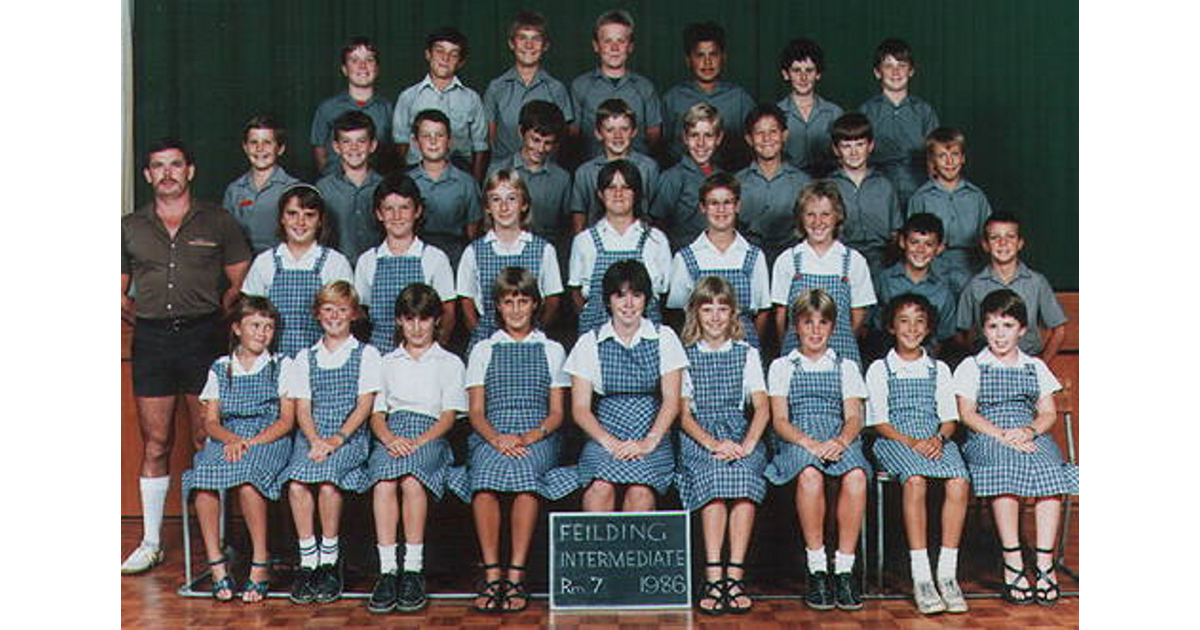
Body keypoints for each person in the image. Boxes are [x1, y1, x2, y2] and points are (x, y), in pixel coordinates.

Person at [121, 138, 252, 575]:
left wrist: (216, 318)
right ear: (147, 175)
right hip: (153, 341)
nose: (168, 173)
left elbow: (239, 280)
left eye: (176, 165)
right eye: (158, 166)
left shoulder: (218, 221)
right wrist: (143, 319)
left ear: (190, 171)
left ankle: (219, 545)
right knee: (156, 442)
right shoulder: (130, 226)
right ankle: (152, 541)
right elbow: (116, 289)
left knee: (206, 441)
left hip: (203, 338)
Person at [450, 267, 576, 613]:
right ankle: (493, 572)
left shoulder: (551, 349)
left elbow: (557, 414)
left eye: (523, 301)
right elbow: (476, 412)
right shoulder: (483, 350)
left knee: (525, 479)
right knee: (486, 480)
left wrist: (528, 436)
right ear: (498, 307)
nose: (517, 309)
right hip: (491, 433)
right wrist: (497, 438)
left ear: (535, 304)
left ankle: (516, 573)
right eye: (509, 302)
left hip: (538, 433)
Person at [953, 289, 1078, 606]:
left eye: (1007, 326)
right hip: (987, 434)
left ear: (1022, 329)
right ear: (983, 329)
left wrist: (1028, 430)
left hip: (1027, 432)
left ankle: (1045, 563)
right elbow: (967, 413)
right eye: (993, 326)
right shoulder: (972, 365)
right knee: (1005, 468)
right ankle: (1013, 562)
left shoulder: (1034, 366)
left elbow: (1047, 412)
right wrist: (1001, 434)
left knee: (1051, 470)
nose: (1000, 334)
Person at [180, 296, 295, 602]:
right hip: (228, 437)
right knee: (204, 477)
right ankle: (217, 564)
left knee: (247, 479)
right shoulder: (221, 367)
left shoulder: (281, 365)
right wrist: (232, 440)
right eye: (255, 325)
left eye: (269, 327)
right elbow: (211, 422)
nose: (262, 332)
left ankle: (260, 562)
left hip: (268, 438)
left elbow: (286, 420)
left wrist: (251, 442)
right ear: (236, 328)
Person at [765, 288, 871, 611]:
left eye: (823, 322)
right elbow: (780, 420)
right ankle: (817, 569)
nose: (815, 330)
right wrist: (810, 444)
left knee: (855, 477)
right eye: (808, 322)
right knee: (809, 475)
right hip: (797, 438)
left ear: (833, 327)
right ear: (796, 325)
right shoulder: (783, 366)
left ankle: (844, 569)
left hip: (838, 436)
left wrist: (840, 441)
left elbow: (854, 416)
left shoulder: (846, 365)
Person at [865, 293, 970, 614]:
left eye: (919, 321)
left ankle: (947, 574)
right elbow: (879, 421)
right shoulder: (880, 368)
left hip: (933, 438)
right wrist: (912, 442)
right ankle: (922, 574)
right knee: (915, 481)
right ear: (891, 327)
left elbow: (950, 419)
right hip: (895, 439)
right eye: (904, 321)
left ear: (928, 328)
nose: (912, 328)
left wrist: (938, 438)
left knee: (959, 481)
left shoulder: (938, 368)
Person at [366, 283, 467, 614]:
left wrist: (421, 441)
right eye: (409, 320)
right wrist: (389, 439)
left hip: (431, 435)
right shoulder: (386, 361)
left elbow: (449, 416)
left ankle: (412, 569)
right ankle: (387, 572)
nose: (417, 328)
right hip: (393, 433)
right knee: (383, 481)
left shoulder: (449, 362)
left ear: (437, 321)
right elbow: (377, 413)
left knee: (411, 480)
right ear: (399, 322)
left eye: (424, 320)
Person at [280, 281, 382, 605]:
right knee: (297, 483)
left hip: (349, 436)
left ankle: (329, 559)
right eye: (328, 309)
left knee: (327, 484)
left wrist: (336, 440)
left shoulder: (366, 353)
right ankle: (308, 560)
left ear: (352, 314)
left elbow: (365, 405)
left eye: (341, 309)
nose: (334, 316)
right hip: (312, 437)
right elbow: (302, 408)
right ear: (317, 313)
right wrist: (314, 440)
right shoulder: (304, 357)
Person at [676, 276, 769, 615]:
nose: (715, 317)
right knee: (713, 480)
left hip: (740, 433)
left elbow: (761, 408)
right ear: (696, 313)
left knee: (744, 480)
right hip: (701, 436)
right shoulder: (685, 355)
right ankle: (713, 573)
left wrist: (745, 445)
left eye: (722, 308)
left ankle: (735, 575)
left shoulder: (747, 353)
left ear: (733, 315)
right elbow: (683, 414)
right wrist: (713, 444)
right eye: (707, 308)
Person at [564, 260, 687, 511]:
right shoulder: (590, 342)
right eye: (620, 296)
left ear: (646, 299)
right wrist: (610, 443)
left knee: (639, 492)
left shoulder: (664, 337)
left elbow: (672, 401)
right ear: (608, 300)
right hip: (604, 436)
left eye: (636, 295)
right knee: (600, 489)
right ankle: (597, 552)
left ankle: (634, 552)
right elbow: (580, 409)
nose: (628, 304)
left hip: (652, 435)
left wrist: (648, 442)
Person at [241, 185, 354, 357]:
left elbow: (344, 321)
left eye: (309, 215)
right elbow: (249, 319)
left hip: (322, 360)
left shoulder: (335, 262)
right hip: (273, 360)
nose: (300, 222)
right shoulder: (265, 262)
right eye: (292, 214)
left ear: (320, 220)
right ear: (282, 218)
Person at [771, 180, 875, 364]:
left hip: (841, 354)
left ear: (837, 217)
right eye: (810, 214)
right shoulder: (788, 260)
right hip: (796, 354)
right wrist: (787, 346)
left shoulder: (853, 261)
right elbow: (781, 316)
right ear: (801, 218)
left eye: (825, 214)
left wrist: (841, 340)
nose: (817, 222)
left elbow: (858, 315)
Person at [457, 169, 562, 350]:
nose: (504, 207)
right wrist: (480, 336)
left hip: (531, 339)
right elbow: (466, 300)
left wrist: (535, 330)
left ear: (524, 204)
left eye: (511, 198)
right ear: (487, 207)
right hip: (488, 339)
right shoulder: (474, 251)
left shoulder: (544, 250)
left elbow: (553, 299)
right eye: (496, 199)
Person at [354, 173, 456, 353]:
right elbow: (361, 315)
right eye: (389, 209)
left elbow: (448, 313)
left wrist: (434, 352)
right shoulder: (367, 260)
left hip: (423, 353)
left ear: (417, 211)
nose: (397, 216)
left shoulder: (434, 258)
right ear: (379, 213)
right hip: (379, 356)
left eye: (404, 208)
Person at [667, 173, 770, 349]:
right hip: (698, 349)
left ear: (737, 206)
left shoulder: (753, 256)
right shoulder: (686, 257)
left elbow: (762, 311)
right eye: (713, 203)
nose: (721, 210)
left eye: (727, 202)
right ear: (702, 207)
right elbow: (677, 313)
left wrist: (750, 343)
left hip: (744, 346)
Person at [568, 159, 672, 333]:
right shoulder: (584, 241)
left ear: (636, 193)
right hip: (596, 336)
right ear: (600, 194)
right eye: (611, 187)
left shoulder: (656, 239)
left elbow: (665, 293)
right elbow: (576, 293)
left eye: (626, 187)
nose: (618, 194)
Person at [954, 212, 1067, 364]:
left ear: (1020, 243)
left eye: (1010, 237)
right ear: (985, 245)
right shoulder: (974, 285)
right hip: (987, 366)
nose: (1003, 243)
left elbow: (1059, 330)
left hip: (1027, 361)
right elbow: (962, 333)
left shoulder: (1037, 282)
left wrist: (1040, 367)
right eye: (995, 238)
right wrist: (977, 363)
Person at [393, 27, 489, 181]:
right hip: (416, 175)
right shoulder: (408, 97)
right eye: (439, 51)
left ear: (461, 62)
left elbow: (480, 147)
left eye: (453, 54)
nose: (445, 58)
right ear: (428, 54)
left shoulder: (472, 99)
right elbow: (401, 143)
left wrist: (475, 185)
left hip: (459, 173)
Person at [487, 100, 573, 274]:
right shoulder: (497, 170)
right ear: (521, 132)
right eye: (535, 140)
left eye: (548, 143)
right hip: (503, 259)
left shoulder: (562, 178)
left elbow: (566, 229)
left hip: (546, 263)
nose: (541, 148)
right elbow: (487, 222)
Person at [483, 11, 575, 172]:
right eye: (522, 38)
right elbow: (490, 139)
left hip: (545, 173)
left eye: (536, 38)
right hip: (505, 176)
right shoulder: (496, 87)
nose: (529, 45)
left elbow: (563, 140)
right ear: (511, 43)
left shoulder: (556, 89)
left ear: (545, 46)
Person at [907, 127, 993, 294]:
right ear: (932, 161)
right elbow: (912, 240)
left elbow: (988, 236)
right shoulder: (920, 197)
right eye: (942, 156)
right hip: (932, 267)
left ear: (963, 158)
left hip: (970, 266)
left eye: (954, 155)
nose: (949, 162)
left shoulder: (977, 197)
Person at [661, 21, 756, 170]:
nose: (707, 62)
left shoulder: (740, 99)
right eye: (700, 55)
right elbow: (663, 149)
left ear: (723, 57)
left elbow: (753, 145)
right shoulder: (673, 99)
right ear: (688, 60)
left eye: (713, 54)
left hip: (728, 180)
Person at [858, 38, 940, 209]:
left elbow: (936, 158)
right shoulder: (866, 112)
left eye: (901, 65)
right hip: (877, 194)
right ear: (877, 72)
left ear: (911, 71)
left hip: (918, 190)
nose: (896, 72)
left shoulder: (924, 111)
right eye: (888, 66)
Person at [570, 9, 662, 159]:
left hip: (635, 173)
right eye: (607, 41)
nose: (614, 48)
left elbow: (654, 137)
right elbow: (573, 138)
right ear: (596, 45)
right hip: (594, 172)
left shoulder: (645, 87)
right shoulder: (580, 86)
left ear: (630, 46)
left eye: (621, 41)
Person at [735, 104, 812, 267]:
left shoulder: (803, 182)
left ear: (784, 135)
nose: (767, 138)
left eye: (773, 131)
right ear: (749, 139)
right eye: (759, 133)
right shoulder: (736, 183)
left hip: (793, 263)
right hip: (746, 262)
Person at [406, 108, 484, 270]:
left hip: (455, 258)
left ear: (449, 141)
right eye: (426, 136)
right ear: (415, 141)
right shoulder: (406, 182)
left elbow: (472, 232)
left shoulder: (466, 182)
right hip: (415, 256)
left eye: (439, 135)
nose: (433, 141)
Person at [828, 112, 902, 281]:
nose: (854, 152)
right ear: (836, 149)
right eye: (846, 146)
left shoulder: (885, 185)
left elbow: (895, 232)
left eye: (860, 144)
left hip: (881, 262)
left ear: (870, 146)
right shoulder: (828, 186)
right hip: (840, 260)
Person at [568, 98, 660, 232]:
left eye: (624, 129)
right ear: (598, 133)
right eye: (610, 130)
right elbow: (579, 217)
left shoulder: (649, 168)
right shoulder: (585, 172)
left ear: (634, 131)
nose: (618, 136)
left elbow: (656, 214)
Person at [310, 36, 394, 177]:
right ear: (344, 69)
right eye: (354, 60)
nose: (362, 66)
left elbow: (393, 153)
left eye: (369, 60)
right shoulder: (328, 108)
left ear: (377, 68)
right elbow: (319, 150)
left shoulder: (387, 108)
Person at [873, 213, 958, 349]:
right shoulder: (883, 281)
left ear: (939, 248)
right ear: (902, 242)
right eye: (914, 242)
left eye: (928, 244)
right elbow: (873, 328)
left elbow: (943, 336)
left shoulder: (943, 291)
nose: (920, 250)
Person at [650, 102, 725, 251]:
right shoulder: (672, 178)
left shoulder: (724, 178)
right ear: (685, 138)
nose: (701, 143)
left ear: (718, 138)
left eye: (708, 135)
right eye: (694, 135)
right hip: (682, 256)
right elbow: (657, 227)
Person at [223, 114, 301, 253]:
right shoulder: (234, 190)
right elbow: (226, 236)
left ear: (280, 148)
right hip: (243, 266)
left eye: (267, 142)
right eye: (254, 142)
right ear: (245, 147)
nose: (260, 148)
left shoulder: (293, 188)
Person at [315, 110, 383, 262]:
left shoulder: (384, 187)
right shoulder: (323, 188)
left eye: (361, 141)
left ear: (372, 145)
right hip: (335, 271)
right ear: (336, 147)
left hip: (377, 268)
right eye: (346, 141)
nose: (354, 147)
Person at [777, 38, 843, 178]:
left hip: (827, 184)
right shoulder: (776, 114)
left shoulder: (834, 113)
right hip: (789, 184)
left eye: (809, 70)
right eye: (796, 70)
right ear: (786, 74)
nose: (803, 77)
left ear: (818, 74)